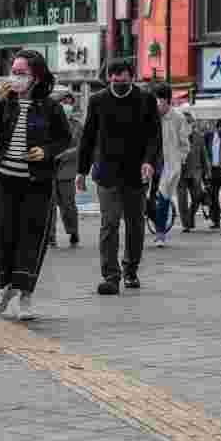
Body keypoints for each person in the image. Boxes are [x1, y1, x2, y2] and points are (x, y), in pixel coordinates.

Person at [0, 50, 72, 321]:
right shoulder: (5, 101)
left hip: (37, 182)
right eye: (14, 72)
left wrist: (45, 152)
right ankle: (5, 287)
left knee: (31, 238)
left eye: (22, 73)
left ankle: (25, 296)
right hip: (5, 180)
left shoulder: (50, 106)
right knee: (1, 237)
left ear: (36, 77)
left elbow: (64, 140)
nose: (16, 77)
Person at [77, 60, 161, 296]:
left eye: (122, 77)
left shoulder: (145, 100)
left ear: (131, 77)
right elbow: (88, 137)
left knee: (135, 223)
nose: (117, 81)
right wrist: (81, 171)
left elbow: (154, 136)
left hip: (136, 173)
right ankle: (111, 276)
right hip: (107, 173)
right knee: (110, 223)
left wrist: (149, 161)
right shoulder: (98, 100)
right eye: (112, 78)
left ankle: (131, 269)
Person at [151, 83, 189, 247]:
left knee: (163, 199)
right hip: (151, 163)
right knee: (149, 199)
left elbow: (184, 144)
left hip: (169, 164)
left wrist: (179, 160)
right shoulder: (150, 116)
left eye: (158, 101)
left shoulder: (178, 118)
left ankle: (160, 234)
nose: (156, 105)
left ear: (167, 101)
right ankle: (154, 225)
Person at [48, 92, 82, 248]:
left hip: (67, 170)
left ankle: (73, 230)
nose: (67, 106)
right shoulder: (49, 123)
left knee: (68, 205)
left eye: (69, 103)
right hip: (49, 169)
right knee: (49, 205)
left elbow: (82, 148)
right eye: (64, 102)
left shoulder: (77, 125)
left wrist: (66, 154)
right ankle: (50, 235)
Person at [203, 120, 221, 229]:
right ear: (217, 127)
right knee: (213, 196)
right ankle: (215, 220)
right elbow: (204, 153)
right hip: (212, 171)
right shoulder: (208, 136)